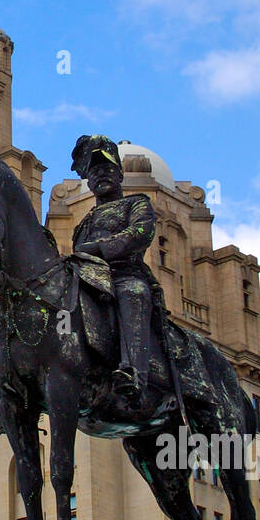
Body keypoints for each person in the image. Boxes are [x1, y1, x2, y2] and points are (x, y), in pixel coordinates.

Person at [70, 135, 159, 407]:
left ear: (119, 175)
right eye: (94, 172)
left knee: (133, 293)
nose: (101, 176)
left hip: (124, 275)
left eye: (107, 169)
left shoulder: (137, 203)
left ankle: (133, 373)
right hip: (88, 281)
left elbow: (140, 233)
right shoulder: (83, 223)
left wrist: (99, 247)